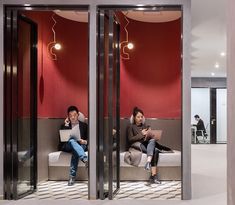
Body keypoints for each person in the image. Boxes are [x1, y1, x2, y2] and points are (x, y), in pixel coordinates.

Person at [125, 107, 172, 184]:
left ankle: (149, 164)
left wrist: (150, 133)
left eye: (141, 117)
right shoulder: (131, 127)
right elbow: (130, 139)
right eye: (138, 117)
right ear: (134, 117)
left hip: (147, 144)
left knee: (153, 142)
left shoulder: (144, 126)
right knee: (155, 151)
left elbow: (149, 138)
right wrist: (141, 134)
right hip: (138, 145)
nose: (140, 118)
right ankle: (153, 176)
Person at [58, 105, 88, 186]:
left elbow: (89, 140)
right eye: (70, 116)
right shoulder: (64, 125)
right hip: (68, 145)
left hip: (81, 146)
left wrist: (84, 141)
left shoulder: (84, 126)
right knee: (71, 141)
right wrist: (66, 125)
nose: (73, 117)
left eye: (74, 115)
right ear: (68, 116)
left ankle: (72, 177)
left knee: (75, 152)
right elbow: (62, 140)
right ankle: (85, 159)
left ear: (78, 115)